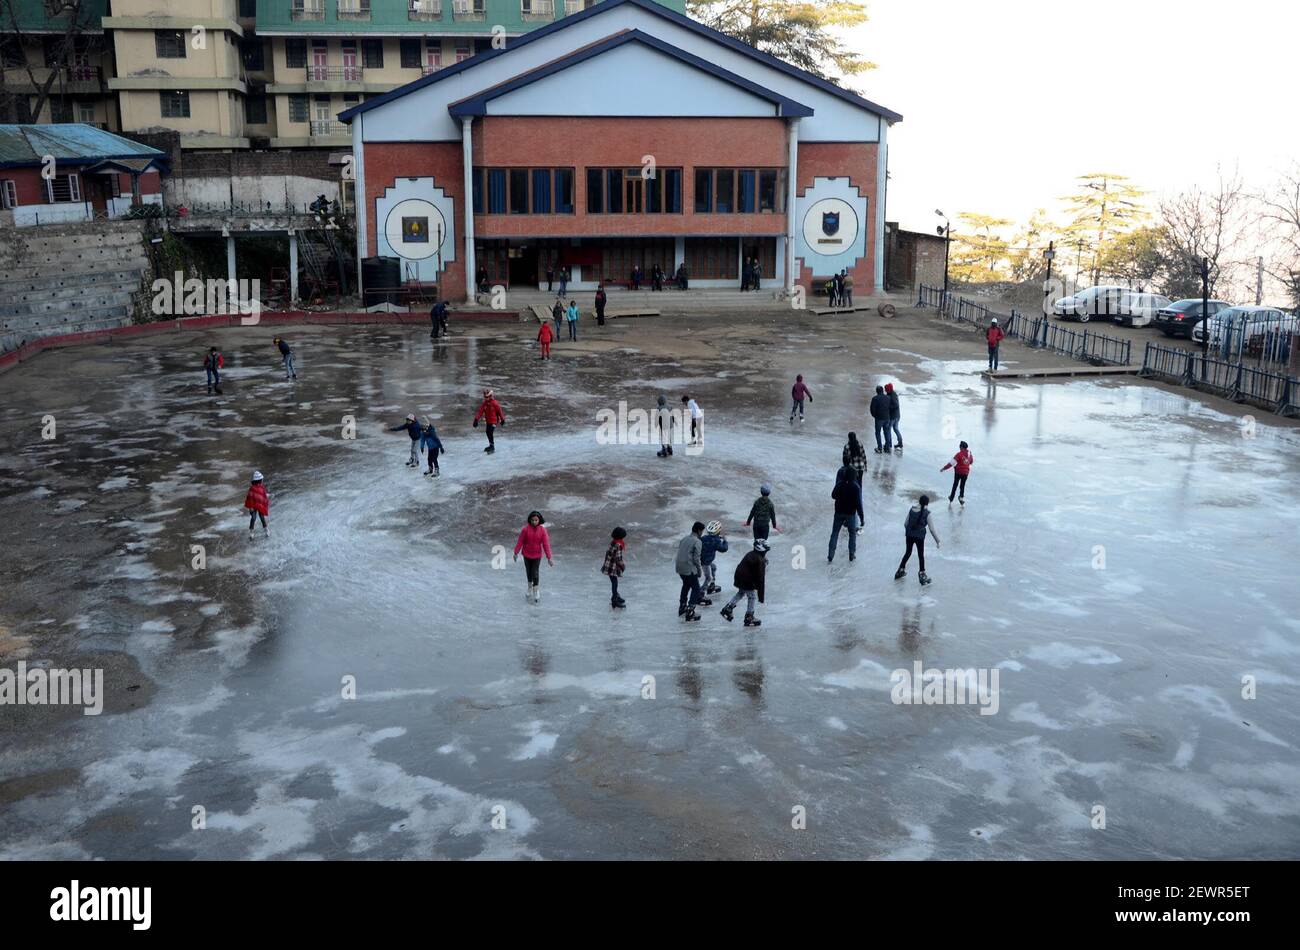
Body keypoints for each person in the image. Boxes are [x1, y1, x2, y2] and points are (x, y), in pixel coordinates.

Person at [719, 538, 768, 627]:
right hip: (746, 580)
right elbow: (761, 579)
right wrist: (761, 597)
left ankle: (728, 607)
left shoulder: (751, 554)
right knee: (752, 597)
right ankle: (749, 616)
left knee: (741, 592)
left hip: (739, 577)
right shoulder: (760, 561)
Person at [895, 495, 940, 585]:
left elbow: (905, 523)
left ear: (919, 501)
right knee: (920, 555)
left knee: (908, 552)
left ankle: (900, 570)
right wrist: (937, 541)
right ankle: (922, 574)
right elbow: (931, 529)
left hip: (909, 535)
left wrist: (909, 532)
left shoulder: (912, 510)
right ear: (927, 503)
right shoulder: (927, 513)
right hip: (919, 537)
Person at [513, 510, 553, 605]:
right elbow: (520, 542)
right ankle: (529, 587)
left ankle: (536, 589)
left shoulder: (542, 530)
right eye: (532, 520)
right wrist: (516, 552)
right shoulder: (525, 530)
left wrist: (549, 557)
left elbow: (546, 544)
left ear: (539, 520)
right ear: (530, 520)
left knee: (535, 572)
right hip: (526, 555)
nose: (534, 522)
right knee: (529, 571)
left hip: (537, 556)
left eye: (536, 520)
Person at [675, 521, 710, 622]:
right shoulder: (697, 541)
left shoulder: (684, 538)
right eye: (702, 531)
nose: (702, 533)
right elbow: (696, 558)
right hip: (688, 568)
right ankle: (690, 611)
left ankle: (682, 607)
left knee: (686, 585)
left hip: (679, 567)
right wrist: (699, 571)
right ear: (699, 531)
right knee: (696, 589)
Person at [828, 468, 864, 563]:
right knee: (852, 534)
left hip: (839, 512)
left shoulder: (840, 484)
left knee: (835, 532)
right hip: (851, 514)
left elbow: (833, 495)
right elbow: (858, 504)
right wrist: (862, 518)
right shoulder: (856, 487)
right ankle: (851, 554)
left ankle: (830, 555)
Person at [941, 441, 975, 505]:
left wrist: (944, 468)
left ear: (962, 447)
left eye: (960, 447)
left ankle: (951, 497)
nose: (959, 448)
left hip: (958, 472)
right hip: (966, 473)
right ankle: (961, 497)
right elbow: (971, 462)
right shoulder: (969, 454)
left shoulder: (959, 454)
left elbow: (951, 463)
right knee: (962, 485)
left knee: (955, 485)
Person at [473, 388, 505, 453]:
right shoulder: (484, 404)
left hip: (494, 421)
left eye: (487, 397)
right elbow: (480, 412)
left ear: (490, 396)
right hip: (488, 421)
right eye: (485, 397)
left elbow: (500, 411)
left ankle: (492, 447)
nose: (486, 398)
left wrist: (502, 419)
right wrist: (476, 420)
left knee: (490, 432)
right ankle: (491, 445)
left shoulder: (495, 403)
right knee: (487, 432)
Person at [602, 527, 627, 609]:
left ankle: (616, 596)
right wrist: (622, 565)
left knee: (614, 582)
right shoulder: (618, 545)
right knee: (614, 583)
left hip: (609, 564)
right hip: (612, 566)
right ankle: (614, 600)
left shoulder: (613, 542)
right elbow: (618, 558)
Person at [700, 521, 729, 595]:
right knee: (708, 578)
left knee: (713, 567)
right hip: (705, 562)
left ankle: (712, 585)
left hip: (704, 560)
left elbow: (709, 540)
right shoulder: (716, 541)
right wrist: (725, 541)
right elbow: (723, 549)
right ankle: (701, 593)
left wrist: (717, 538)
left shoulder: (703, 538)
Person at [244, 470, 269, 537]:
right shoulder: (252, 488)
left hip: (260, 505)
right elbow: (250, 497)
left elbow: (263, 495)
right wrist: (251, 507)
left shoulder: (262, 487)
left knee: (262, 518)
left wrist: (266, 496)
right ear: (259, 480)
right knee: (253, 518)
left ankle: (266, 529)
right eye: (261, 479)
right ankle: (251, 532)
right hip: (253, 506)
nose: (262, 480)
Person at [869, 384, 892, 452]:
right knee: (887, 432)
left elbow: (872, 409)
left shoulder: (875, 398)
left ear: (877, 391)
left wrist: (875, 416)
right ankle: (887, 447)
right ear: (882, 391)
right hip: (887, 418)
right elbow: (890, 407)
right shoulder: (888, 398)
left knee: (878, 433)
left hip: (879, 418)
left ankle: (879, 448)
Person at [885, 382, 903, 450]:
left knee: (889, 429)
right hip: (897, 416)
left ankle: (889, 444)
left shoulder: (892, 395)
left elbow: (896, 405)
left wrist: (889, 407)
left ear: (889, 389)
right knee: (895, 429)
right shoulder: (892, 394)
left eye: (886, 389)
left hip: (893, 417)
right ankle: (900, 443)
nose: (885, 391)